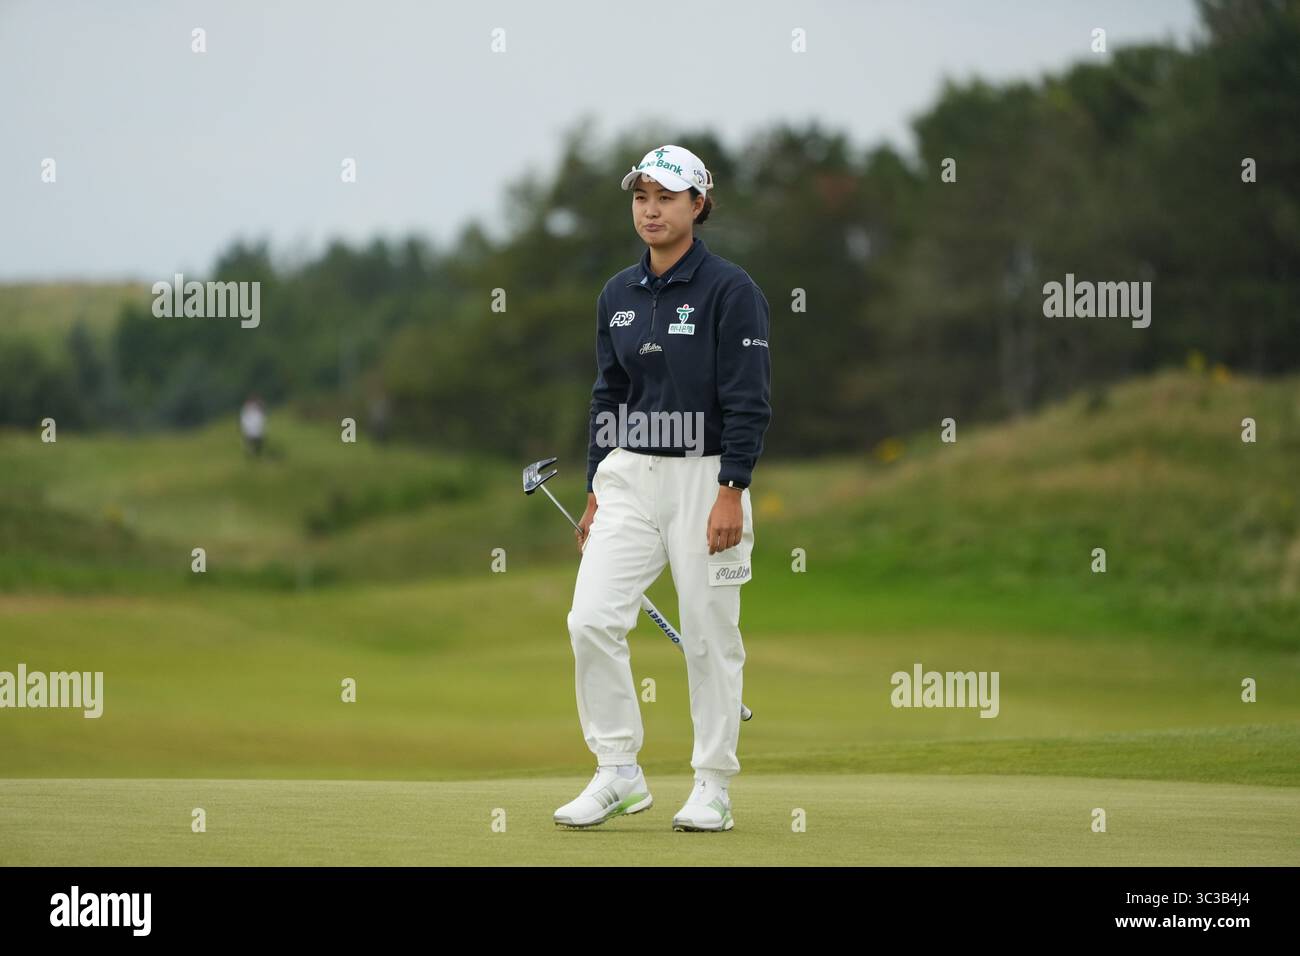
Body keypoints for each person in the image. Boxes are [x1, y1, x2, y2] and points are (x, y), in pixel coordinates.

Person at [554, 145, 772, 832]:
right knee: (590, 618)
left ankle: (712, 784)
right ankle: (618, 771)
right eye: (641, 195)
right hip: (629, 476)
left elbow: (749, 398)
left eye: (666, 197)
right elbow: (609, 393)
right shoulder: (617, 295)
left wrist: (732, 487)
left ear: (698, 205)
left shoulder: (731, 291)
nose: (650, 208)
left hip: (705, 475)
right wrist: (595, 487)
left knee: (709, 634)